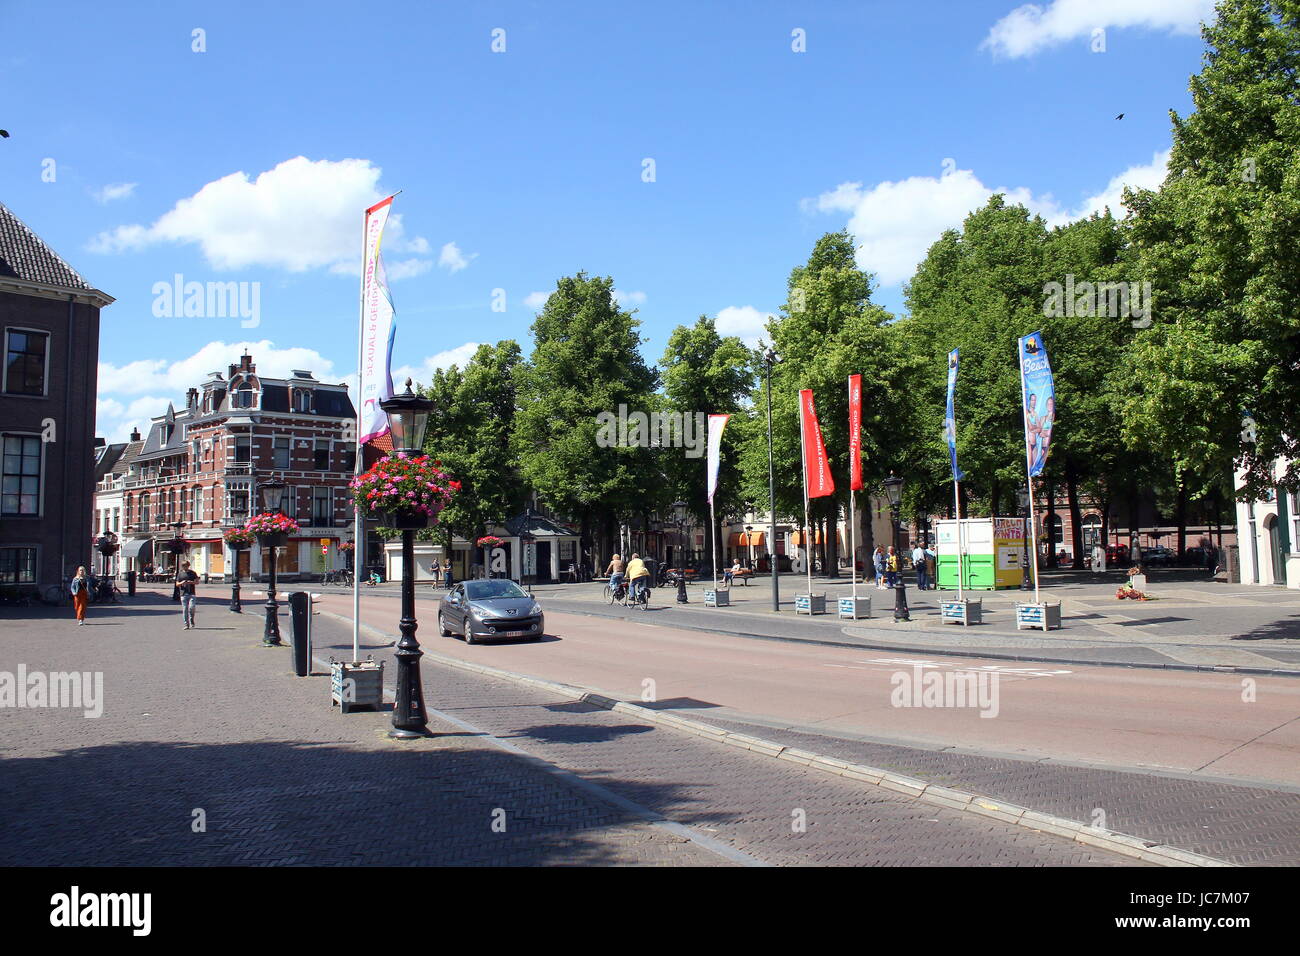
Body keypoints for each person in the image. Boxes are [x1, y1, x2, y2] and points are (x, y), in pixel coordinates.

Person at [177, 561, 199, 629]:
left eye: (186, 566)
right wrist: (182, 583)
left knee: (191, 608)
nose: (184, 567)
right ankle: (186, 624)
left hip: (192, 593)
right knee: (185, 609)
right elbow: (177, 584)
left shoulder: (193, 573)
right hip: (183, 593)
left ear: (188, 566)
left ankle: (191, 619)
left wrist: (191, 582)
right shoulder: (180, 574)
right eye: (183, 566)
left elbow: (197, 582)